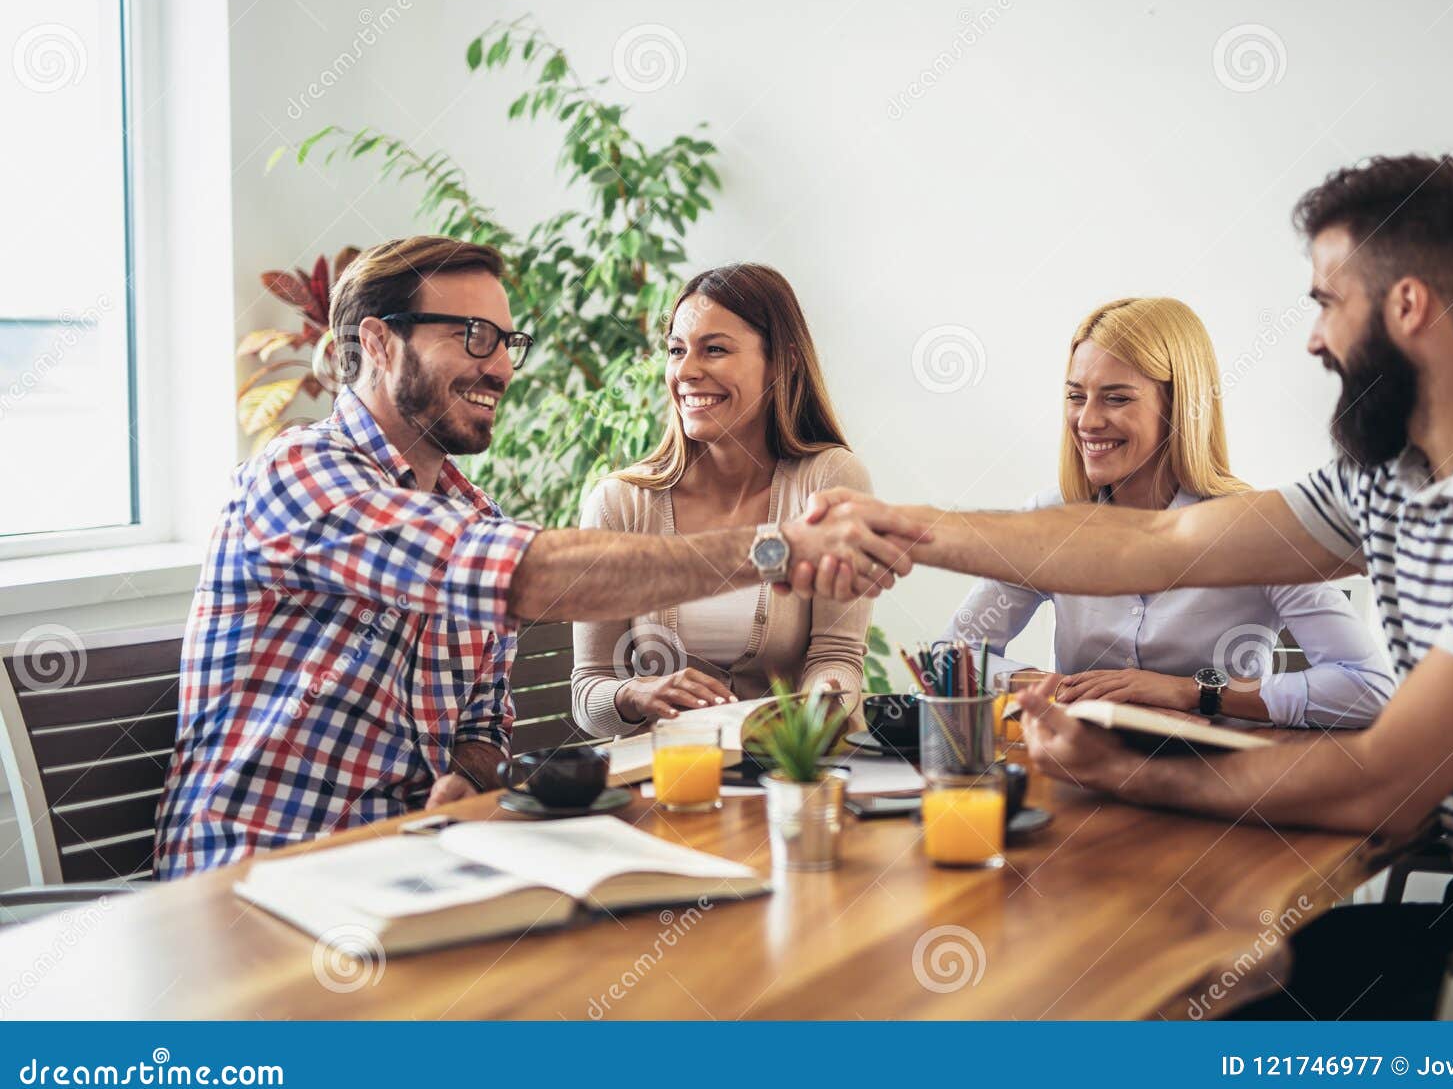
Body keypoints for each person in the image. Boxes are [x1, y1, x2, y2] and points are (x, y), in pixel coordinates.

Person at [805, 155, 1453, 1015]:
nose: (1312, 338)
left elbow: (1384, 780)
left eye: (1327, 302)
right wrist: (908, 525)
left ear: (1407, 306)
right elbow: (1163, 539)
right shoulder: (1393, 472)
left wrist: (1127, 771)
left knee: (1174, 1011)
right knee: (1184, 980)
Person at [154, 237, 924, 878]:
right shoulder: (302, 474)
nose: (501, 367)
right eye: (472, 336)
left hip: (410, 867)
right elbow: (528, 575)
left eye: (507, 342)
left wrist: (470, 769)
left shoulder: (473, 513)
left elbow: (487, 725)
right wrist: (777, 547)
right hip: (259, 875)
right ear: (379, 343)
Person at [944, 296, 1392, 727]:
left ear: (1180, 408)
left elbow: (1368, 688)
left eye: (1116, 398)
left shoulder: (1254, 530)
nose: (1087, 421)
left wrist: (1191, 692)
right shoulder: (1052, 518)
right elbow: (949, 656)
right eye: (1077, 396)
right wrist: (1056, 686)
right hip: (1079, 774)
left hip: (1214, 786)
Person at [572, 264, 874, 734]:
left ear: (783, 361)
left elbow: (837, 657)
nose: (687, 371)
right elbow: (588, 691)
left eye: (714, 350)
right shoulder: (620, 504)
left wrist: (818, 711)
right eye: (676, 351)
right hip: (664, 782)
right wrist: (634, 694)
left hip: (787, 771)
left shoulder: (828, 482)